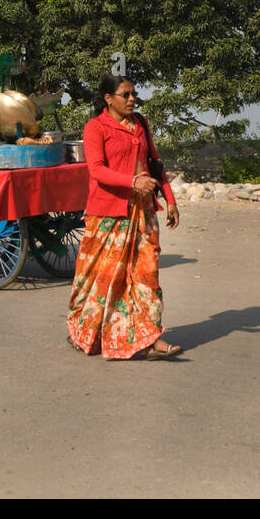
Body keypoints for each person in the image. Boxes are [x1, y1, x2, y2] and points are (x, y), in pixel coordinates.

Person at [67, 75, 183, 361]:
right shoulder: (96, 128)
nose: (132, 99)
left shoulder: (141, 124)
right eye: (125, 95)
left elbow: (154, 164)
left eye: (134, 94)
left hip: (142, 211)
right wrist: (132, 182)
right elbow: (96, 170)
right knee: (101, 279)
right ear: (108, 98)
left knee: (146, 276)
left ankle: (150, 336)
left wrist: (170, 198)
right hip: (108, 213)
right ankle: (87, 331)